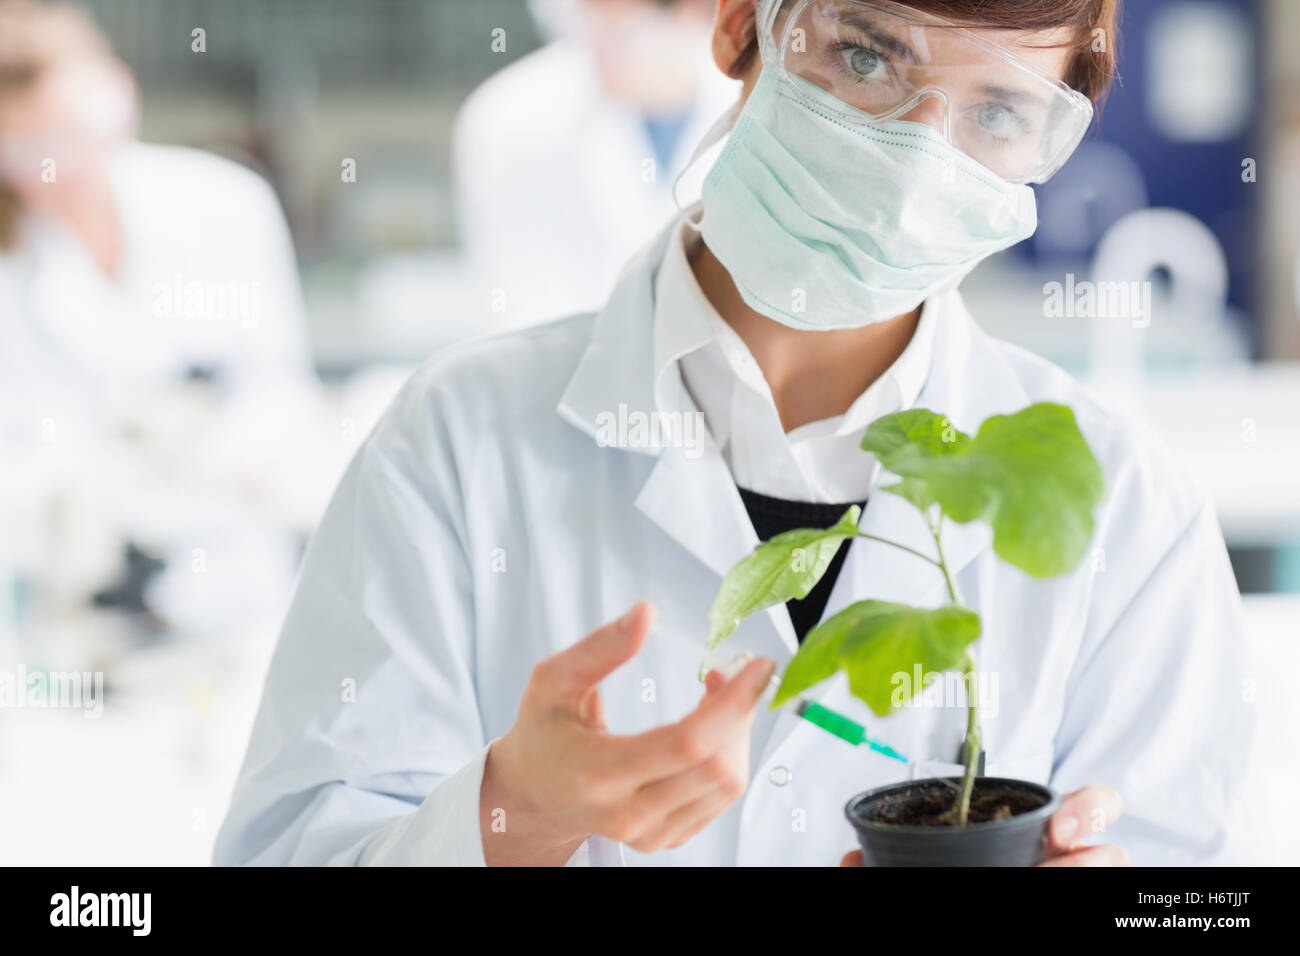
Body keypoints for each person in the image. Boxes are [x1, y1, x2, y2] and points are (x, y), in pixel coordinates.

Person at [215, 0, 1255, 866]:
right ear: (735, 26)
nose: (912, 155)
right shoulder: (455, 440)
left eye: (995, 113)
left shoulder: (1121, 500)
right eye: (864, 56)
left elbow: (1190, 879)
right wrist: (514, 808)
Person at [0, 0, 316, 645]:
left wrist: (243, 459)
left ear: (117, 97)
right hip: (64, 617)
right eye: (31, 150)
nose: (63, 167)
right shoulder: (16, 265)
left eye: (74, 133)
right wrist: (90, 488)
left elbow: (281, 392)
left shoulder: (225, 204)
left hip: (238, 593)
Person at [452, 0, 739, 328]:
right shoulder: (508, 124)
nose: (600, 52)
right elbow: (516, 302)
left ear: (693, 12)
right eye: (589, 25)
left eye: (620, 33)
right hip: (566, 370)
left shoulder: (766, 111)